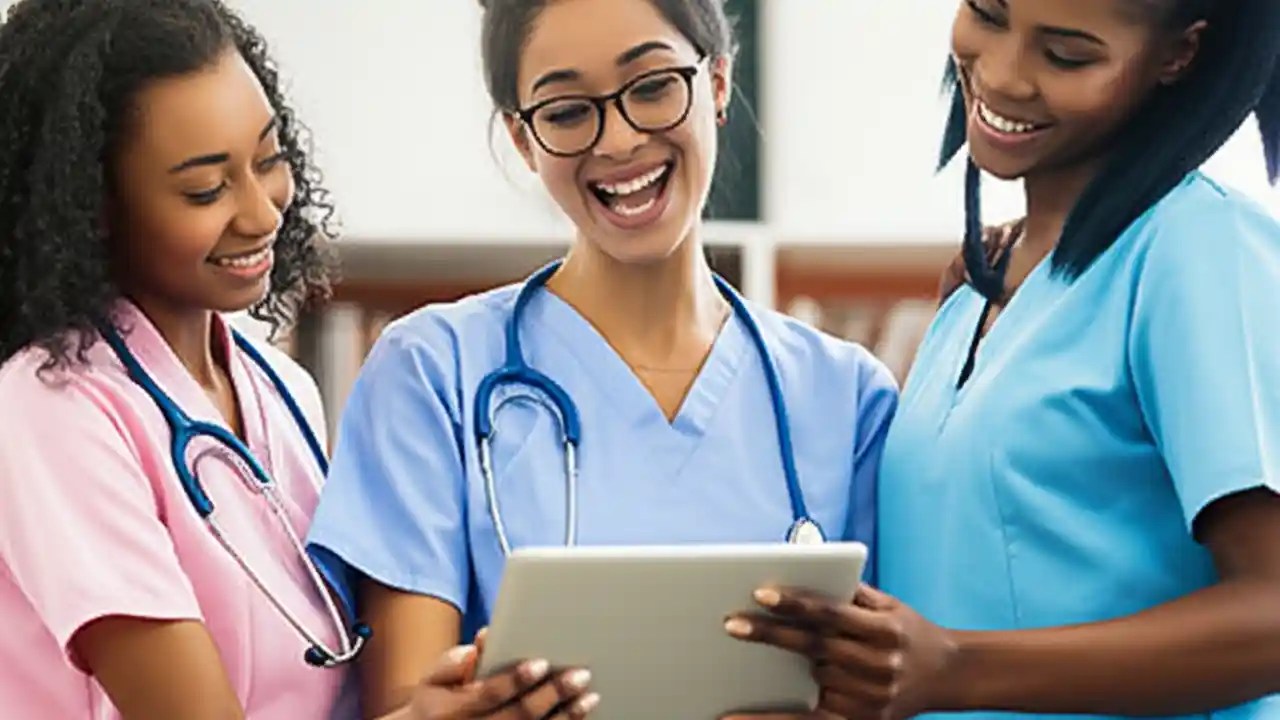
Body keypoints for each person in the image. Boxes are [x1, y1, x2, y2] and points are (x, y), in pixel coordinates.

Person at [303, 0, 899, 717]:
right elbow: (409, 703)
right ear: (523, 139)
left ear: (715, 82)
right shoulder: (433, 373)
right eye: (565, 111)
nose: (617, 141)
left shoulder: (846, 396)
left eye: (651, 87)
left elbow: (887, 689)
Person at [723, 1, 1280, 719]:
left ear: (1178, 56)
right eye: (988, 12)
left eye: (1068, 54)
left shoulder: (1200, 249)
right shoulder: (977, 291)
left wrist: (956, 669)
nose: (1005, 75)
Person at [0, 0, 368, 717]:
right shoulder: (51, 410)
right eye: (205, 188)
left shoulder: (281, 388)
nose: (263, 213)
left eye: (270, 159)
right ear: (92, 203)